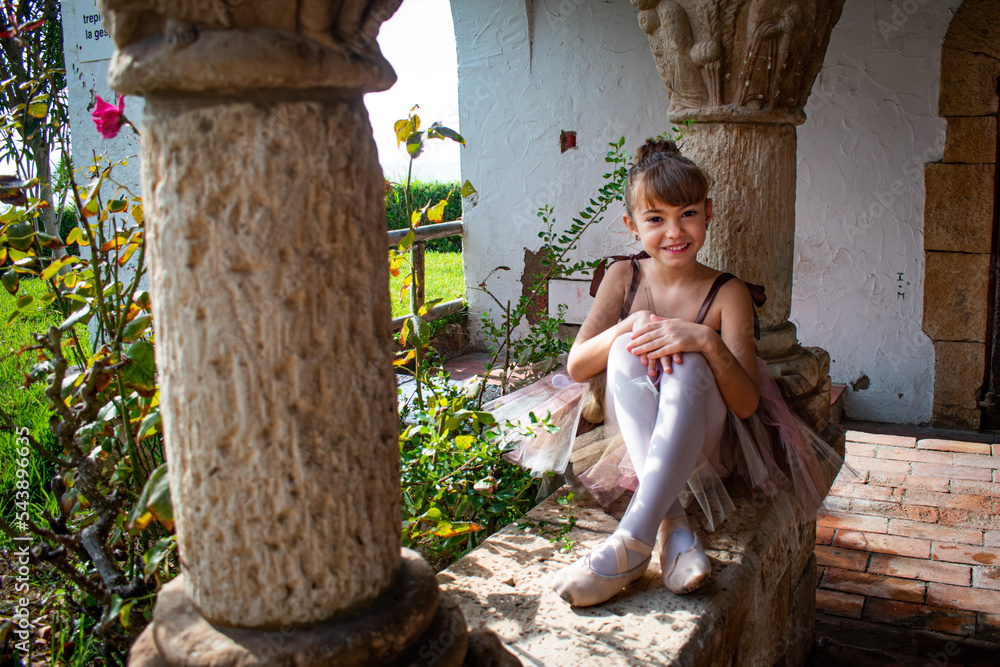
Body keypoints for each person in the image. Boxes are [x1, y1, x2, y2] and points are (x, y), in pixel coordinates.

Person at [543, 138, 842, 607]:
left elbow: (745, 403)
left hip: (709, 448)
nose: (674, 231)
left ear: (707, 212)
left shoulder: (728, 292)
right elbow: (579, 365)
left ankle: (630, 542)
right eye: (656, 218)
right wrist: (630, 323)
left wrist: (703, 339)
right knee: (625, 347)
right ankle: (672, 529)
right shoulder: (624, 277)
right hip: (632, 439)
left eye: (687, 214)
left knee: (689, 360)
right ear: (632, 224)